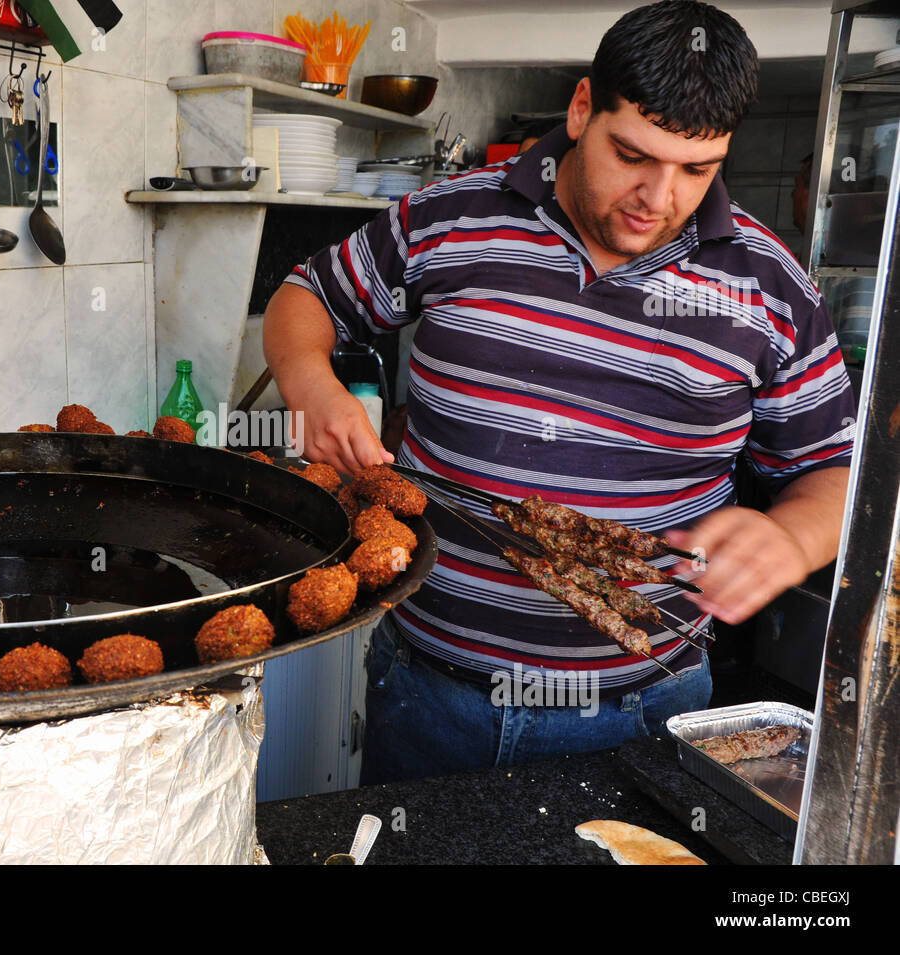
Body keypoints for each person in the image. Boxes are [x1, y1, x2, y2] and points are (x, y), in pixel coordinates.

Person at [263, 0, 854, 783]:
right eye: (632, 155)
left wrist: (792, 539)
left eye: (697, 169)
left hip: (649, 705)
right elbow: (306, 295)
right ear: (582, 109)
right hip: (431, 695)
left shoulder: (772, 287)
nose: (658, 196)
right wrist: (311, 385)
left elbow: (836, 478)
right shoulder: (452, 218)